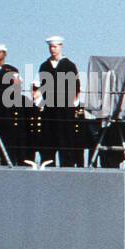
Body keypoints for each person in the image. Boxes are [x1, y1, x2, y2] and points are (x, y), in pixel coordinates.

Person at [38, 36, 82, 167]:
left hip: (65, 108)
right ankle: (47, 164)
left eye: (55, 47)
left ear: (61, 47)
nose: (53, 49)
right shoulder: (45, 66)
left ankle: (67, 165)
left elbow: (76, 86)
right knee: (48, 140)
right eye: (51, 47)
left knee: (66, 139)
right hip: (50, 108)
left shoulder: (69, 65)